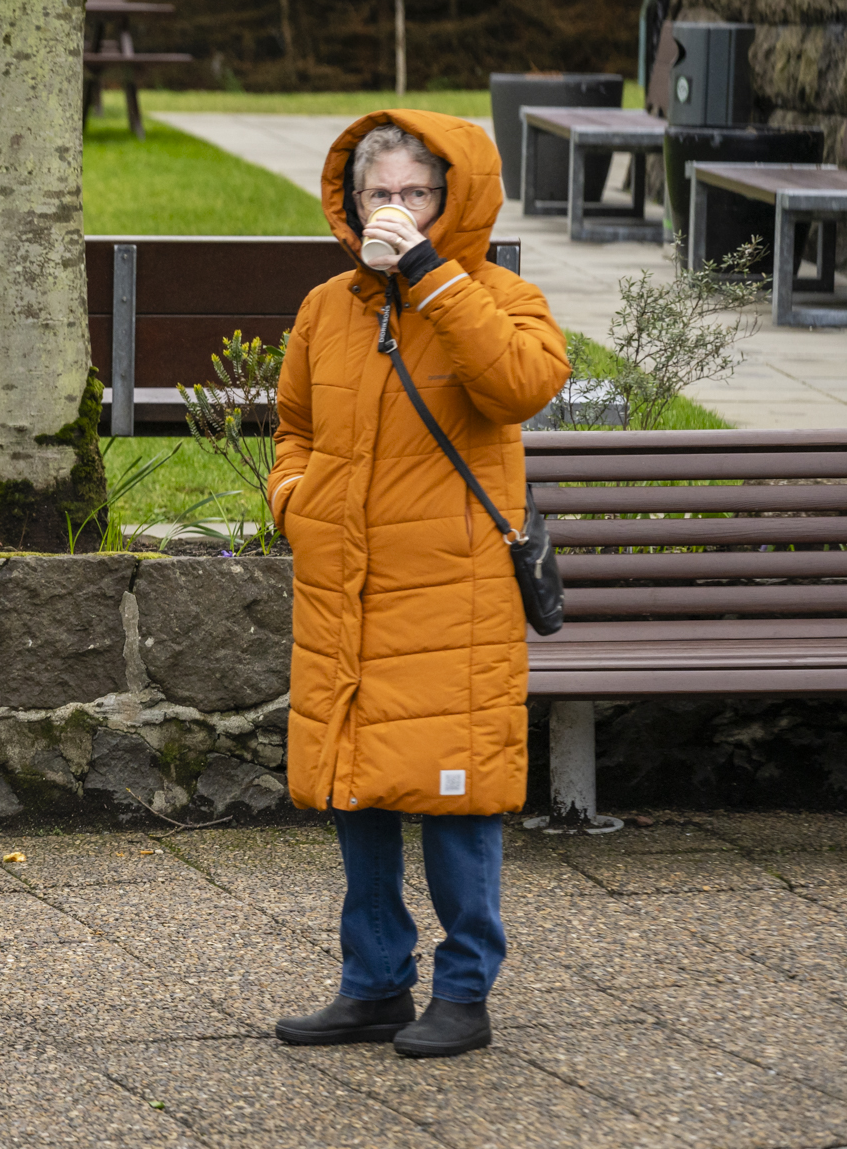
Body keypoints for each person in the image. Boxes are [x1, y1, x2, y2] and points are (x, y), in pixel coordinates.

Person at [267, 113, 567, 1058]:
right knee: (358, 793)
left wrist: (432, 275)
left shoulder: (501, 297)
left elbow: (520, 385)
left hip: (453, 598)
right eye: (378, 196)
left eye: (415, 194)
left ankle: (464, 992)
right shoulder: (327, 308)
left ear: (454, 200)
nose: (393, 211)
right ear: (350, 205)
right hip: (348, 591)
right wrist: (293, 503)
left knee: (457, 799)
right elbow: (294, 425)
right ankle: (374, 985)